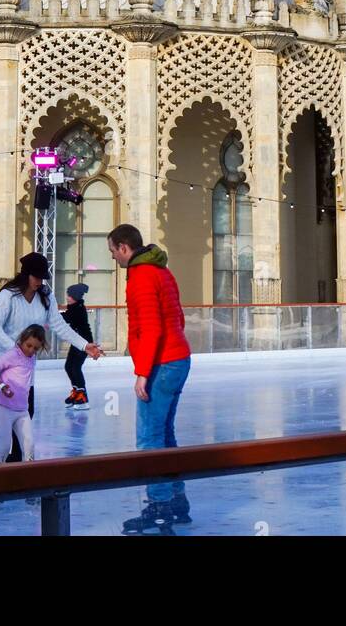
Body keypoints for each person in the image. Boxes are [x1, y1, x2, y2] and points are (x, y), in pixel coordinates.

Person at [107, 224, 192, 536]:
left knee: (149, 439)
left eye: (113, 251)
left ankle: (159, 508)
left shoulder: (141, 276)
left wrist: (143, 372)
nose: (113, 258)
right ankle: (177, 502)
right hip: (178, 358)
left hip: (162, 363)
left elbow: (152, 327)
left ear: (124, 248)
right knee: (165, 436)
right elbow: (178, 318)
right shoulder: (162, 271)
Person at [0, 253, 103, 462]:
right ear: (26, 275)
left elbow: (59, 326)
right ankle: (4, 462)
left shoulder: (46, 296)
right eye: (36, 277)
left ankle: (20, 461)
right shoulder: (8, 296)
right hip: (2, 364)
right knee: (6, 416)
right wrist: (16, 350)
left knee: (25, 413)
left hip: (26, 367)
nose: (39, 282)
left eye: (42, 277)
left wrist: (85, 346)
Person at [0, 325, 47, 464]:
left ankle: (28, 478)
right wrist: (0, 385)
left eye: (36, 348)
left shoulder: (32, 358)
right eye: (29, 345)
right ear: (22, 339)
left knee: (29, 446)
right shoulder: (12, 355)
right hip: (3, 408)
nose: (31, 350)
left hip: (22, 410)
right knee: (4, 447)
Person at [61, 283, 93, 409]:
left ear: (75, 296)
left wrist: (53, 316)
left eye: (69, 295)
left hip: (85, 343)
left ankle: (83, 397)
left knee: (75, 368)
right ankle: (76, 391)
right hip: (77, 342)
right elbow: (67, 316)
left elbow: (67, 318)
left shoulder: (78, 309)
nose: (67, 297)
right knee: (69, 366)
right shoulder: (74, 307)